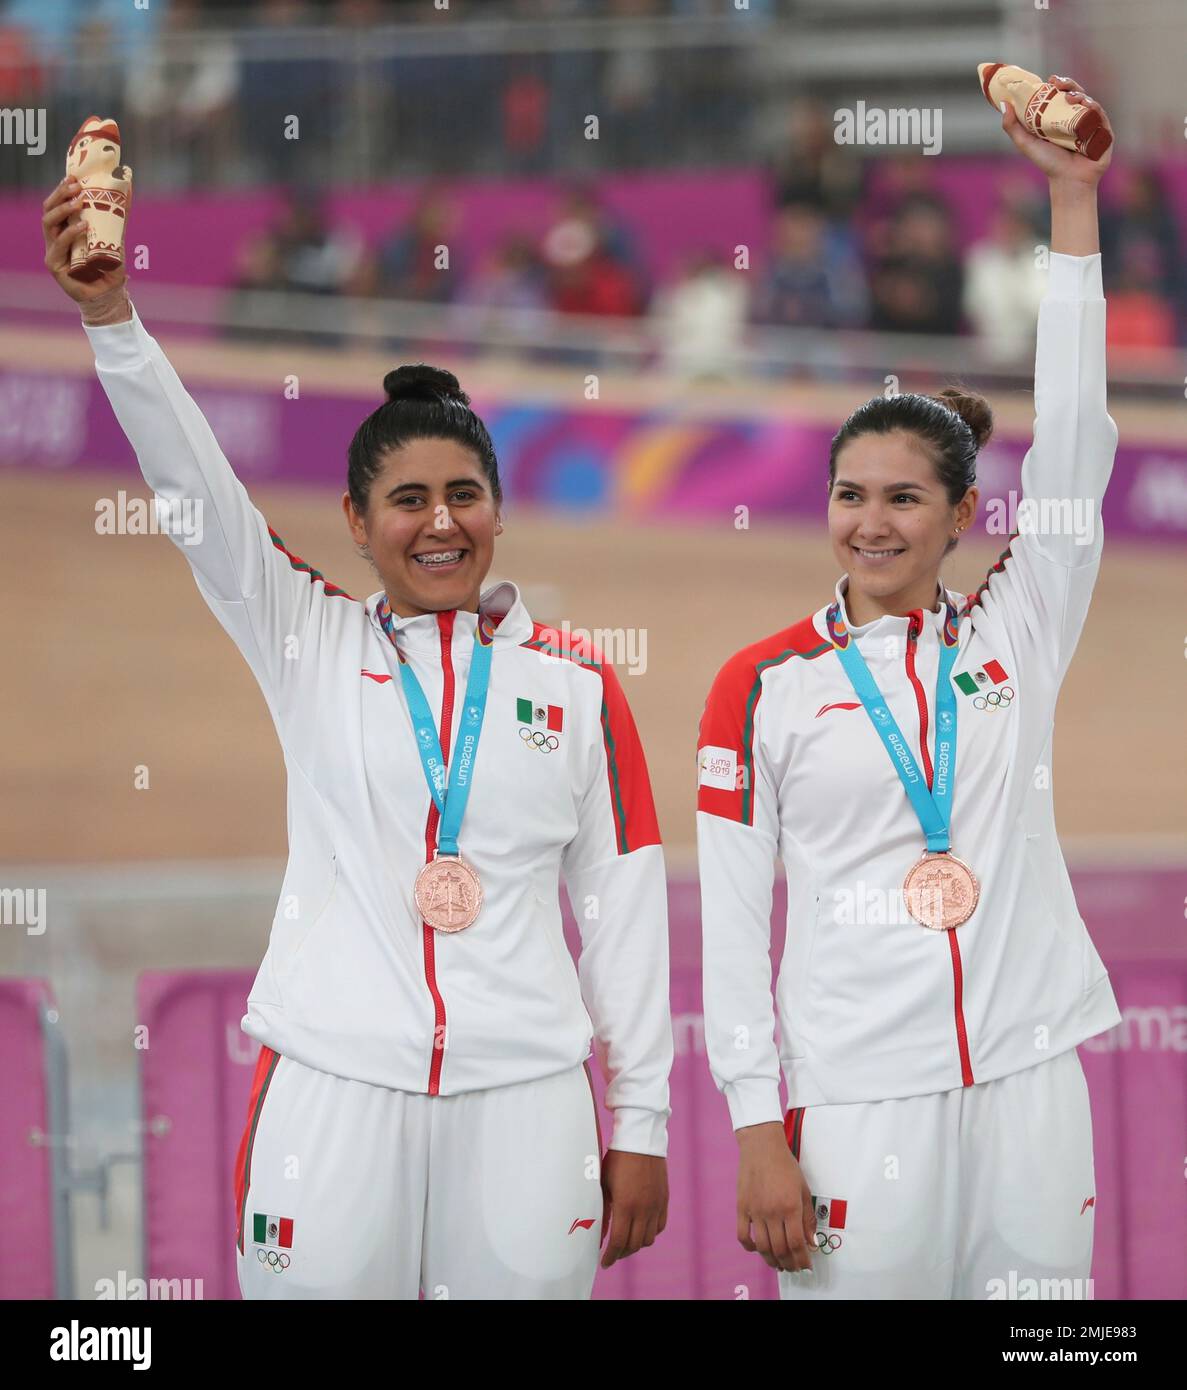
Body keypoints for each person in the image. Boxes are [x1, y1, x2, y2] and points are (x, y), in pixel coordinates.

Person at [43, 171, 672, 1301]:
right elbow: (196, 495)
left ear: (497, 506)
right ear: (356, 522)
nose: (441, 521)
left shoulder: (577, 684)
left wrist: (641, 1119)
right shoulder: (306, 638)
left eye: (464, 493)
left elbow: (621, 908)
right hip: (333, 1089)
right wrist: (111, 320)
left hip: (528, 1098)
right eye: (408, 499)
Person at [696, 76, 1121, 1300]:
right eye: (847, 495)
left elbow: (1076, 446)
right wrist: (756, 1123)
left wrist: (1071, 202)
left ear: (959, 517)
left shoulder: (1016, 626)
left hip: (1032, 1083)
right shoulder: (760, 686)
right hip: (857, 1104)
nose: (868, 523)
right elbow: (730, 923)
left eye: (900, 499)